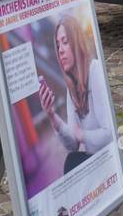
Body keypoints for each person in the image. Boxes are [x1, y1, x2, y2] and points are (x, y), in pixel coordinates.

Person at [37, 16, 112, 173]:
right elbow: (72, 145)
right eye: (58, 45)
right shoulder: (71, 86)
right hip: (94, 160)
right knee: (71, 160)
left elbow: (109, 134)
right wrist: (52, 115)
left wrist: (81, 134)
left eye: (65, 42)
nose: (60, 50)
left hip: (109, 161)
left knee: (72, 162)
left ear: (77, 43)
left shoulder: (95, 71)